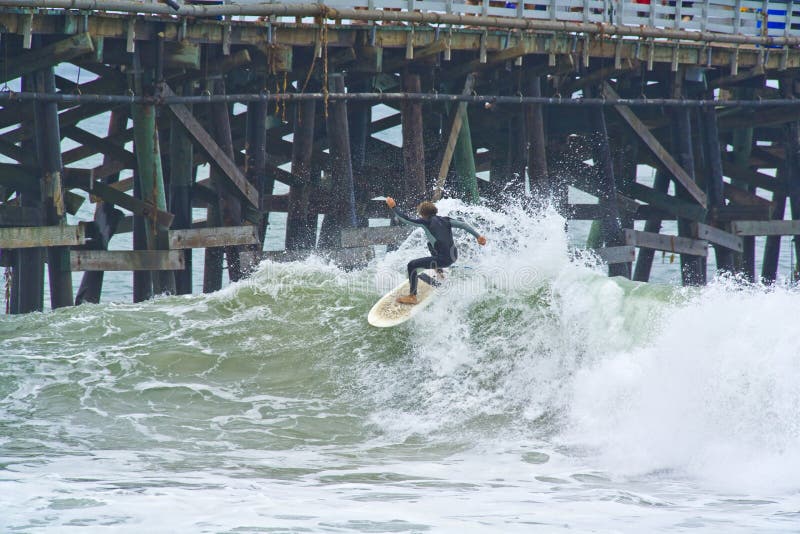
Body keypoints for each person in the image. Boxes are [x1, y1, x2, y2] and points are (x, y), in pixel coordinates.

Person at [385, 196, 487, 305]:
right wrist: (478, 236)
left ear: (422, 214)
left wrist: (394, 207)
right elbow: (463, 225)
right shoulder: (446, 219)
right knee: (430, 243)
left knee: (412, 265)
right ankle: (438, 270)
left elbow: (406, 219)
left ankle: (412, 296)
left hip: (444, 260)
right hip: (454, 256)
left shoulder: (425, 222)